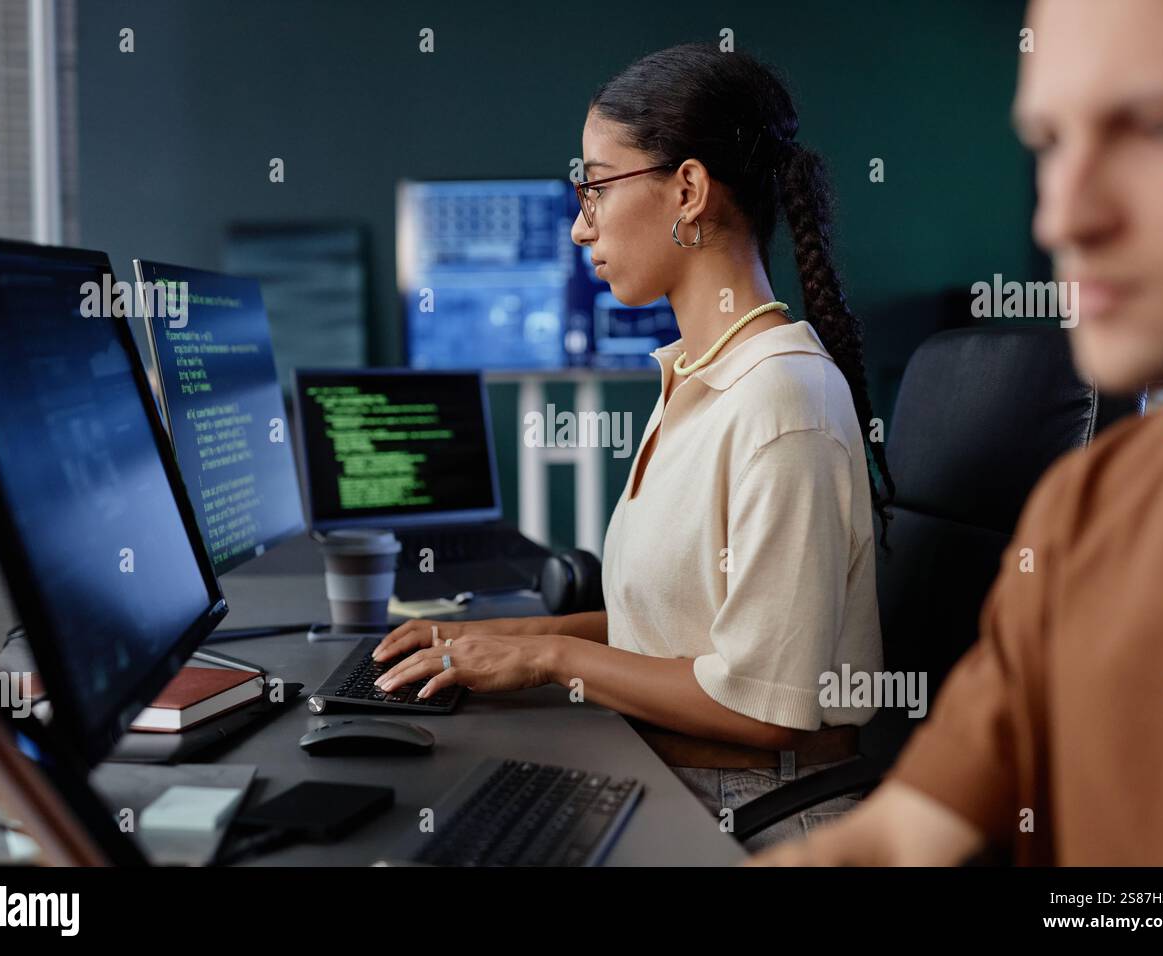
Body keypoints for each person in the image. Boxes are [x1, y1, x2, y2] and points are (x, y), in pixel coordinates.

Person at [373, 43, 894, 848]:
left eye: (595, 185)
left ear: (687, 190)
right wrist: (491, 641)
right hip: (670, 772)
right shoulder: (696, 374)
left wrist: (548, 658)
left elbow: (761, 704)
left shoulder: (784, 399)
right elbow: (669, 636)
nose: (581, 226)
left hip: (748, 810)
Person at [750, 0, 1163, 866]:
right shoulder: (1089, 504)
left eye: (1157, 126)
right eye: (1049, 143)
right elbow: (906, 833)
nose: (1062, 220)